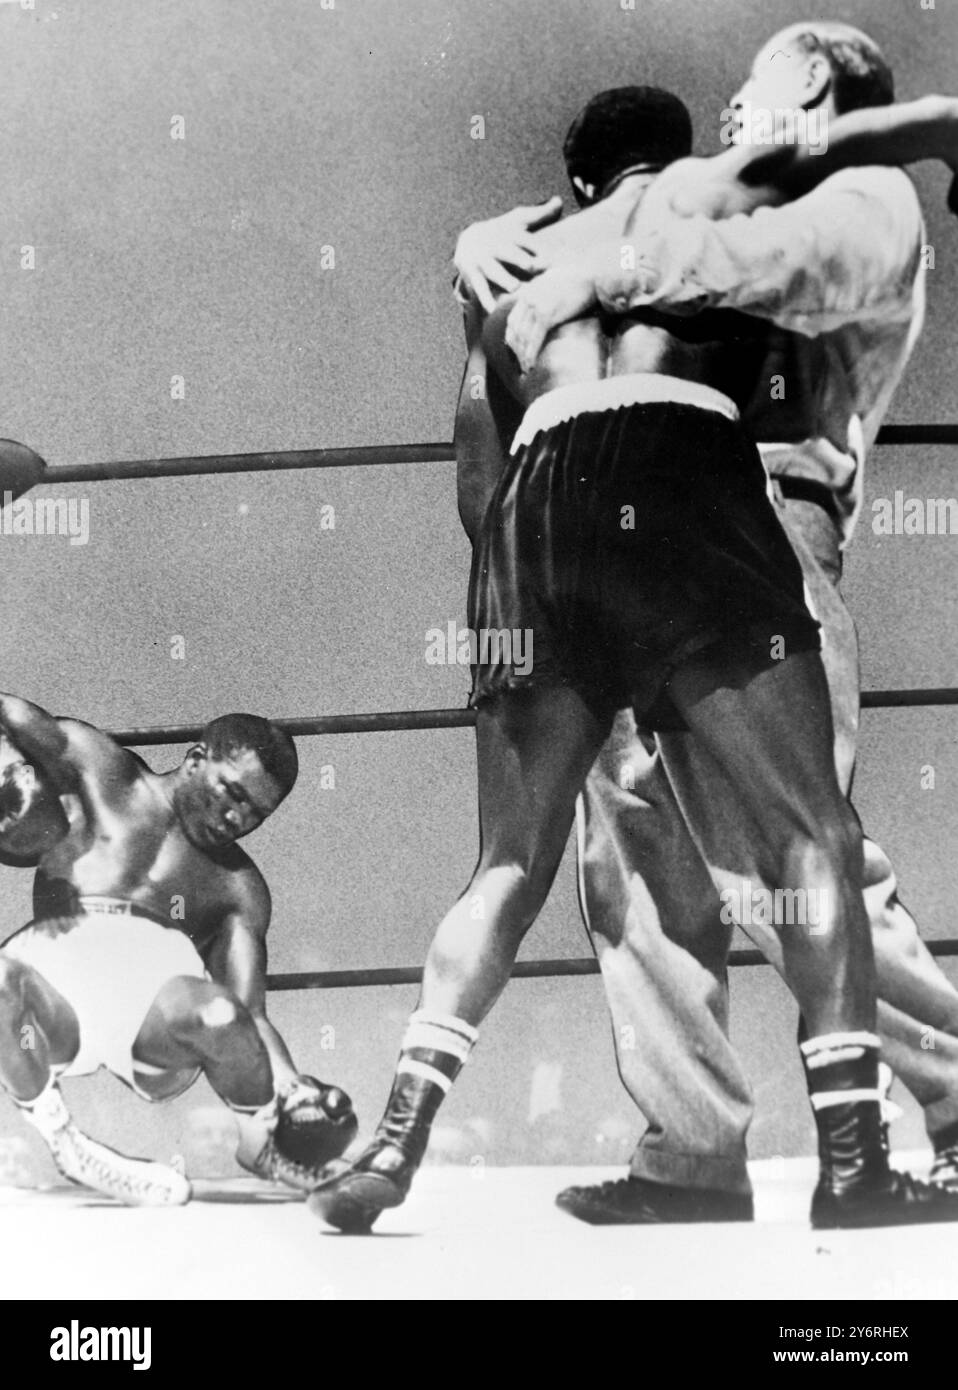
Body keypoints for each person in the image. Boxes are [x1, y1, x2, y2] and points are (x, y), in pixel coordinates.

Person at [309, 84, 958, 1235]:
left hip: (539, 524)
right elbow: (798, 388)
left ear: (572, 181)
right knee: (800, 837)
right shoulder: (725, 211)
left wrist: (480, 320)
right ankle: (818, 1162)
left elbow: (478, 477)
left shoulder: (510, 259)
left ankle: (397, 1140)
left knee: (513, 864)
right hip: (695, 496)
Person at [0, 696, 357, 1205]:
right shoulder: (102, 770)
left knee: (219, 1013)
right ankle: (69, 1145)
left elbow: (250, 1014)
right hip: (55, 999)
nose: (236, 816)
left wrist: (294, 1088)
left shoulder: (238, 887)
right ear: (194, 760)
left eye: (255, 812)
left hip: (152, 1019)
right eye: (231, 792)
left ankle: (261, 1148)